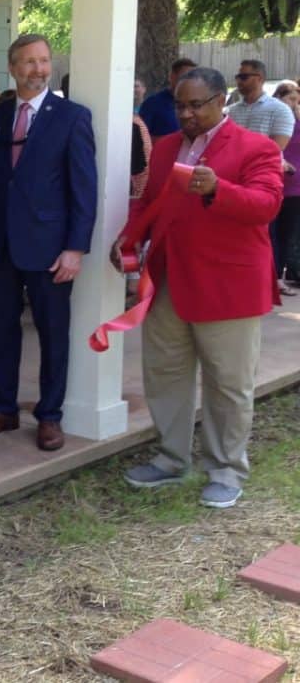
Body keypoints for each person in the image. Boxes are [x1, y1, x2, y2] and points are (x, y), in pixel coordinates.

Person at [115, 67, 282, 509]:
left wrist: (218, 190)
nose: (186, 114)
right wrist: (127, 242)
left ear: (220, 100)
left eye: (196, 105)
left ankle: (225, 470)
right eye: (179, 105)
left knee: (228, 383)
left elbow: (267, 205)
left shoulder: (256, 148)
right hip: (169, 280)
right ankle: (172, 458)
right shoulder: (169, 147)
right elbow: (149, 205)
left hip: (228, 286)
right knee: (165, 372)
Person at [0, 33, 98, 452]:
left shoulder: (71, 117)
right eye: (27, 62)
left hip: (51, 249)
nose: (37, 69)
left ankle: (50, 416)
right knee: (1, 330)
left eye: (43, 61)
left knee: (53, 333)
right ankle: (2, 408)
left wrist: (76, 248)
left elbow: (84, 189)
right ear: (12, 67)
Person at [227, 59, 295, 296]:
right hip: (231, 181)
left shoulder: (280, 110)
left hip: (262, 182)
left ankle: (264, 284)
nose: (239, 80)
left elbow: (275, 149)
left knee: (262, 234)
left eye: (244, 76)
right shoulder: (230, 112)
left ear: (260, 78)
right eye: (238, 76)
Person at [274, 81, 300, 287]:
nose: (294, 102)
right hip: (276, 182)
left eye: (296, 98)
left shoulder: (297, 119)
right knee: (272, 233)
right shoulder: (276, 117)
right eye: (290, 97)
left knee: (288, 233)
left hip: (296, 186)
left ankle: (286, 274)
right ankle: (273, 276)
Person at [138, 57, 197, 141]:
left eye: (193, 78)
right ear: (171, 77)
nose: (189, 82)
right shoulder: (153, 103)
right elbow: (141, 138)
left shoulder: (199, 105)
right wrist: (172, 141)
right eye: (185, 77)